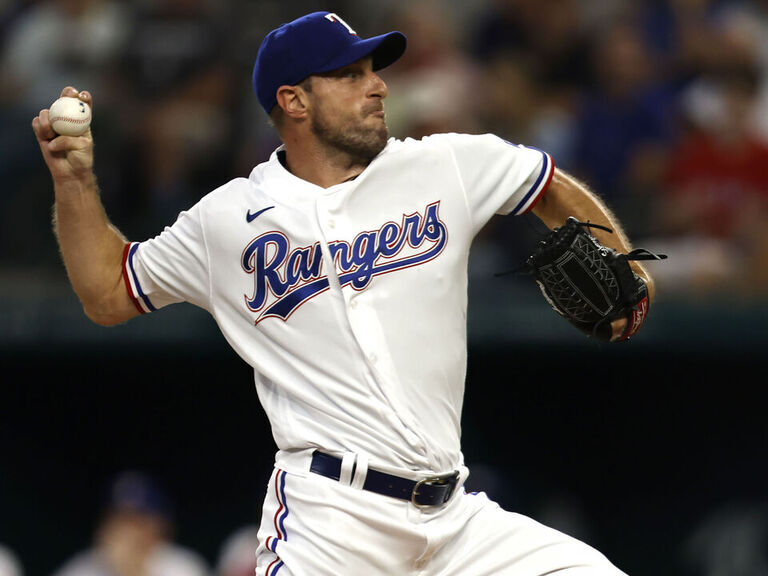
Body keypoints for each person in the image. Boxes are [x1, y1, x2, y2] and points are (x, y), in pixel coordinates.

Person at [32, 10, 656, 575]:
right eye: (352, 75)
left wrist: (619, 261)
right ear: (294, 100)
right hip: (331, 522)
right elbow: (110, 291)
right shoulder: (227, 220)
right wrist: (74, 179)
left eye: (373, 71)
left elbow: (543, 182)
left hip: (457, 520)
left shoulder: (442, 165)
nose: (379, 85)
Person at [51, 471, 209, 576]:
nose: (126, 530)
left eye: (136, 521)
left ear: (159, 526)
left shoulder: (182, 566)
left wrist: (132, 571)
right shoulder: (82, 568)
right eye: (119, 519)